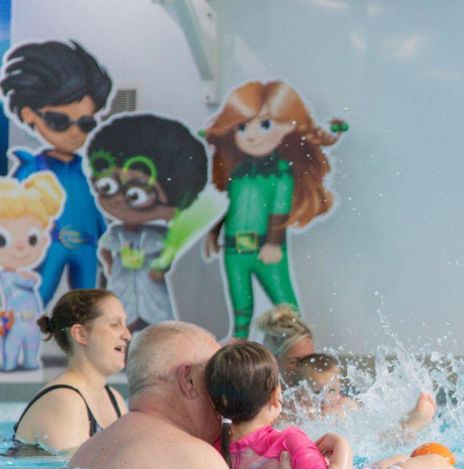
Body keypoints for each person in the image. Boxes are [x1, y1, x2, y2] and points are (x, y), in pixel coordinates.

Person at [203, 80, 343, 339]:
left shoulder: (280, 172)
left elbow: (280, 207)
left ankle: (300, 344)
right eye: (242, 126)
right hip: (234, 249)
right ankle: (238, 342)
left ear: (287, 125)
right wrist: (214, 232)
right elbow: (229, 206)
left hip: (265, 247)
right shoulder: (238, 172)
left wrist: (274, 243)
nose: (251, 134)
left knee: (285, 303)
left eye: (264, 124)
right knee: (240, 302)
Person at [208, 342, 461, 469]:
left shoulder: (216, 448)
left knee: (394, 459)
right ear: (276, 396)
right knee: (436, 461)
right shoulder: (289, 438)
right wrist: (342, 446)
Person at [1, 40, 113, 304]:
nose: (74, 132)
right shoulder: (32, 168)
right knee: (37, 296)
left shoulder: (85, 170)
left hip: (87, 246)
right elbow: (15, 212)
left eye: (85, 123)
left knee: (86, 303)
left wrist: (105, 241)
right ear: (29, 114)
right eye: (58, 121)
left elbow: (94, 209)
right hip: (49, 245)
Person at [89, 113, 211, 332]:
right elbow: (105, 250)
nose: (119, 200)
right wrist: (110, 267)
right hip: (122, 288)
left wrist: (162, 267)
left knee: (158, 327)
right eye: (108, 186)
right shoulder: (115, 234)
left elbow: (171, 251)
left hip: (152, 294)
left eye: (136, 193)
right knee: (119, 326)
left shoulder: (159, 235)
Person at [69, 321, 230, 469]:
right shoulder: (197, 460)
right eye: (216, 376)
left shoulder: (84, 454)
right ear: (188, 379)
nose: (224, 392)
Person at [258, 305, 436, 437]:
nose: (304, 368)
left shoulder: (335, 400)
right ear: (273, 360)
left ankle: (405, 427)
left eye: (310, 359)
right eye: (295, 361)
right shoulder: (268, 407)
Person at [11, 289, 130, 455]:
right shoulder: (65, 401)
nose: (127, 335)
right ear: (80, 334)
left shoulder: (114, 398)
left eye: (125, 324)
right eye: (115, 324)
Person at [0, 173, 64, 371]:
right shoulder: (5, 278)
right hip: (12, 320)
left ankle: (29, 362)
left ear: (44, 240)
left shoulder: (28, 277)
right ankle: (8, 364)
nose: (20, 247)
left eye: (32, 239)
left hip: (32, 321)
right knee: (11, 346)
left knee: (31, 344)